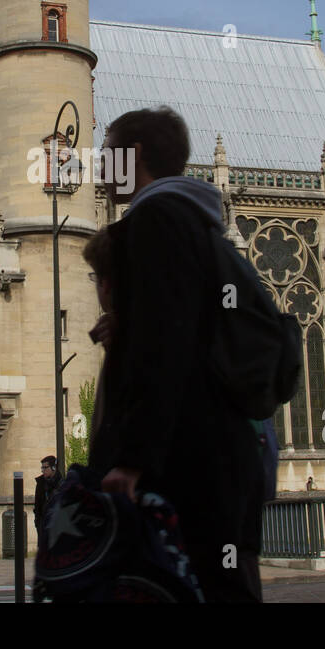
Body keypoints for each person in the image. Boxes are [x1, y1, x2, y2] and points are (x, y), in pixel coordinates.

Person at [89, 105, 266, 602]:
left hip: (186, 462)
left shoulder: (154, 220)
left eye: (107, 154)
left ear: (135, 155)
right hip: (223, 459)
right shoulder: (196, 221)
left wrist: (132, 459)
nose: (100, 168)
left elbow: (167, 344)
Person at [33, 455, 61, 544]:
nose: (43, 470)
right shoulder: (41, 483)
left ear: (53, 467)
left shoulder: (61, 483)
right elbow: (37, 506)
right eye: (42, 468)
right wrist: (38, 523)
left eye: (45, 467)